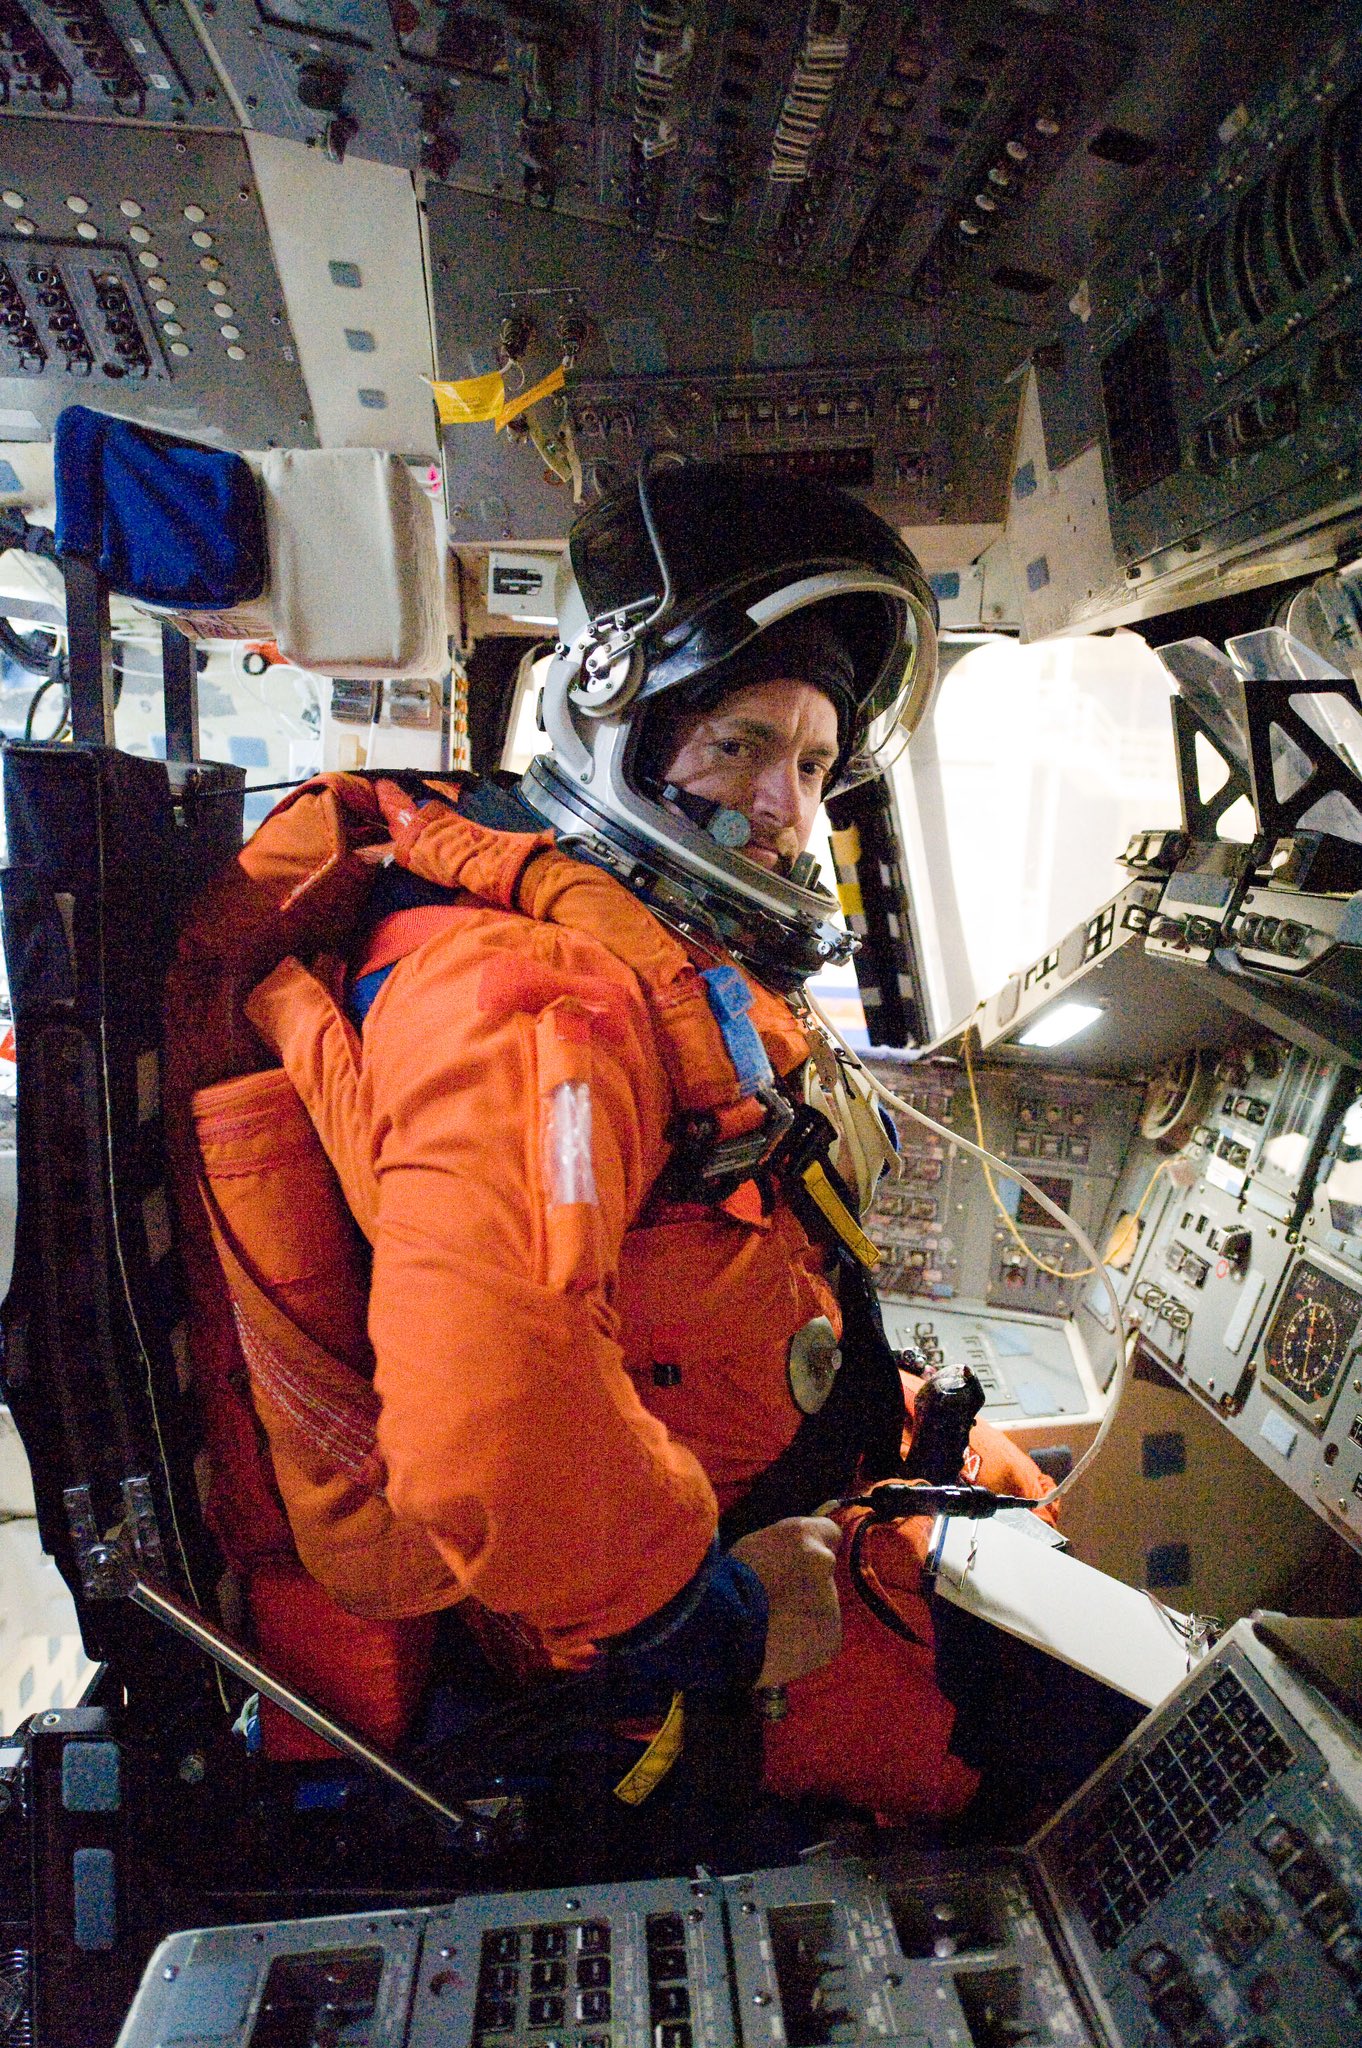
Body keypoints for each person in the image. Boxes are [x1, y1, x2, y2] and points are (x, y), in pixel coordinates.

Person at [166, 460, 1054, 1827]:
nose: (785, 810)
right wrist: (711, 1621)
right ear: (613, 724)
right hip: (666, 1636)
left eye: (813, 765)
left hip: (791, 1481)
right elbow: (492, 1427)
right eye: (742, 746)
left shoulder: (594, 956)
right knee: (1096, 1735)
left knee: (1030, 1508)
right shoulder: (533, 1001)